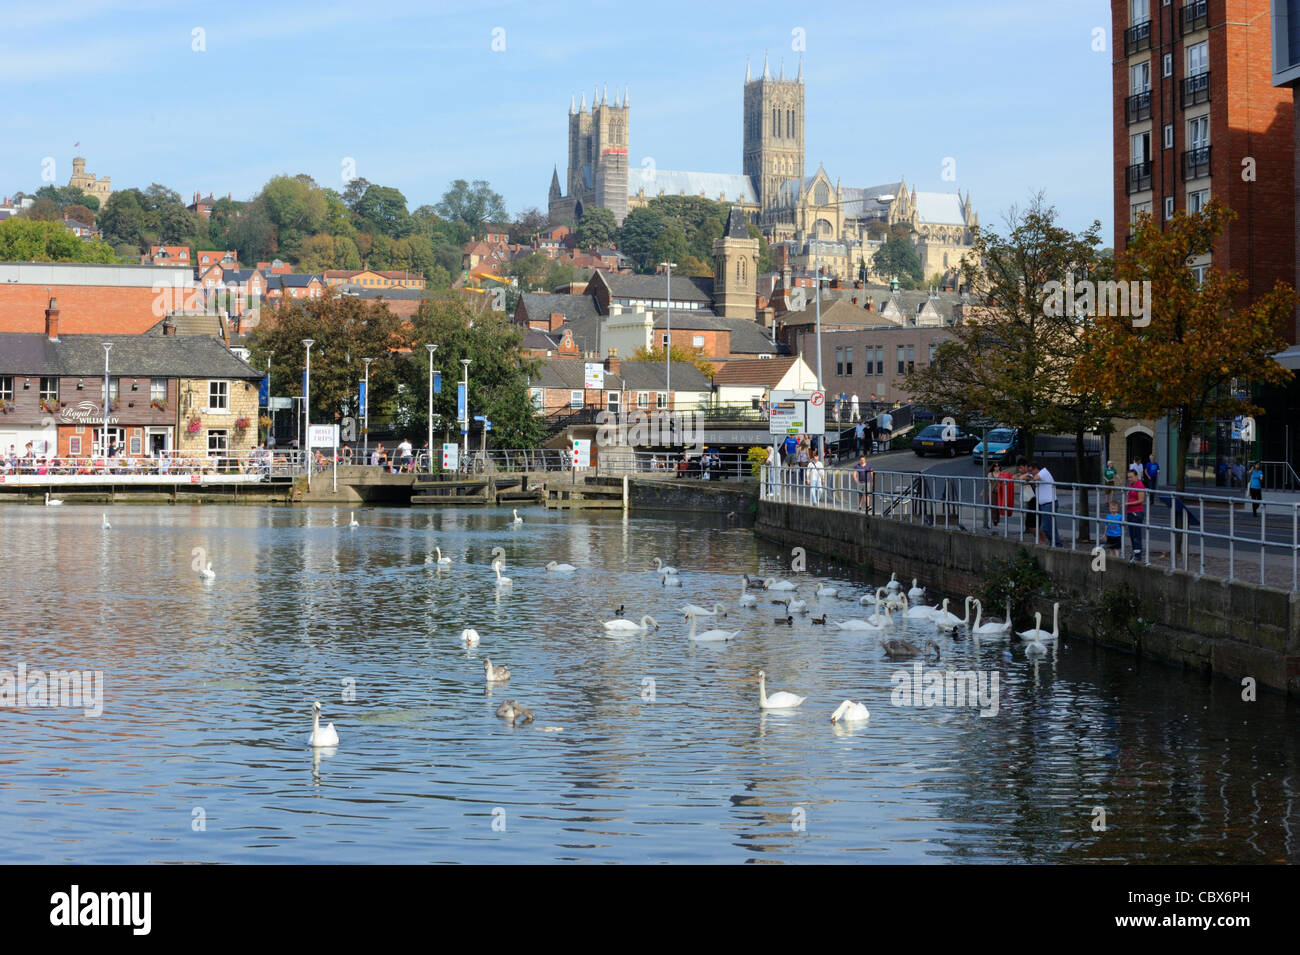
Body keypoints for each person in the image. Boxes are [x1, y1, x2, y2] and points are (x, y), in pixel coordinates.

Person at [1029, 459, 1060, 546]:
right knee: (1052, 528)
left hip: (1049, 504)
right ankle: (1057, 545)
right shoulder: (1039, 473)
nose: (1031, 473)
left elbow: (1035, 478)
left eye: (1032, 471)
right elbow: (1021, 478)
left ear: (1036, 469)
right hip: (1045, 504)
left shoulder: (1043, 472)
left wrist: (1028, 476)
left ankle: (1055, 544)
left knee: (1045, 528)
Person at [1125, 465, 1146, 562]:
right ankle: (1134, 553)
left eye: (1131, 477)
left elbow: (1141, 500)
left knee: (1137, 535)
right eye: (1128, 477)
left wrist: (1128, 503)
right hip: (1129, 512)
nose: (1130, 479)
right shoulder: (1131, 485)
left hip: (1137, 513)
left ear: (1136, 476)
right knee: (1132, 535)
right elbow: (1129, 496)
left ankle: (1138, 555)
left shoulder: (1140, 485)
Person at [1017, 459, 1038, 539]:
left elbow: (1021, 478)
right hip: (1031, 499)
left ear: (1026, 466)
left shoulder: (1030, 474)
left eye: (1021, 468)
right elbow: (1015, 477)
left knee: (1033, 521)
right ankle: (1039, 538)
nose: (1020, 470)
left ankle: (1040, 539)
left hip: (1035, 499)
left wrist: (1022, 476)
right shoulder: (1026, 474)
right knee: (1030, 522)